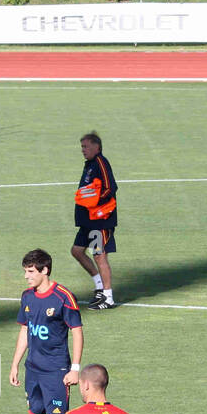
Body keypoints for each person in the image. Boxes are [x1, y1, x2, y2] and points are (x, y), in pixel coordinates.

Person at [10, 249, 83, 414]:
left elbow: (76, 331)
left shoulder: (63, 297)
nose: (26, 276)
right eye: (25, 271)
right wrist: (16, 363)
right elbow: (24, 330)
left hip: (56, 370)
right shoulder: (27, 297)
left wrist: (75, 369)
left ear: (45, 270)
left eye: (30, 272)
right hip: (34, 369)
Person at [70, 132, 119, 309]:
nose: (83, 150)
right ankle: (99, 286)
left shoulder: (100, 163)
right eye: (82, 147)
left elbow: (110, 188)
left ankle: (108, 297)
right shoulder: (90, 164)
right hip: (87, 222)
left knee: (99, 255)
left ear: (96, 147)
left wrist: (96, 206)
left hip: (99, 222)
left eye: (86, 146)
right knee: (77, 251)